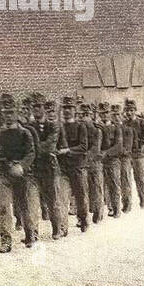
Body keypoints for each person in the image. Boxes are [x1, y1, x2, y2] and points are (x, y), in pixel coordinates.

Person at [0, 93, 38, 252]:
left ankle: (30, 233)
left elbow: (31, 153)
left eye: (11, 112)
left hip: (21, 175)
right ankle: (6, 240)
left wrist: (22, 166)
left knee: (24, 206)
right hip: (4, 174)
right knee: (3, 206)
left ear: (17, 113)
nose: (8, 116)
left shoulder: (25, 133)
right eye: (5, 112)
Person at [56, 97, 92, 232]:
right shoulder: (58, 126)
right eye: (64, 108)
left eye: (69, 108)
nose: (66, 111)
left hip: (78, 167)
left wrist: (68, 150)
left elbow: (84, 146)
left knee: (81, 196)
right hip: (63, 168)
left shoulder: (80, 126)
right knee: (62, 197)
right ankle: (63, 226)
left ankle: (83, 219)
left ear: (74, 110)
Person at [34, 97, 67, 239]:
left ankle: (57, 228)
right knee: (33, 201)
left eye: (52, 111)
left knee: (53, 200)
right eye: (47, 111)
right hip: (35, 167)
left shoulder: (55, 127)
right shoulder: (31, 126)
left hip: (50, 167)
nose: (50, 115)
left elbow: (51, 146)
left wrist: (34, 148)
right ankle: (33, 232)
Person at [98, 102, 123, 217]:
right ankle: (107, 208)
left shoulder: (116, 127)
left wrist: (106, 153)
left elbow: (118, 145)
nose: (104, 115)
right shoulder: (96, 127)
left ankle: (116, 208)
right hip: (100, 161)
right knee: (101, 185)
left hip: (113, 160)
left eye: (106, 113)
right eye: (102, 113)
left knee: (114, 184)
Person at [81, 101, 104, 223]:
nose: (84, 118)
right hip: (83, 164)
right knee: (84, 189)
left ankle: (98, 212)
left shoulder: (97, 131)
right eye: (82, 115)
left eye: (87, 115)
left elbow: (96, 148)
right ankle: (84, 216)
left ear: (91, 116)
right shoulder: (79, 129)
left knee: (97, 188)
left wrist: (84, 156)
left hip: (95, 163)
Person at [124, 99, 144, 208]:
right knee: (125, 178)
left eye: (131, 110)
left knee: (140, 178)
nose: (129, 113)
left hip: (139, 154)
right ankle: (127, 203)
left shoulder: (141, 122)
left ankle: (142, 199)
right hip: (126, 154)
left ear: (135, 110)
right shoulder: (124, 123)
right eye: (127, 110)